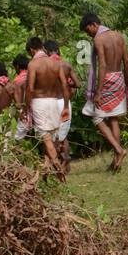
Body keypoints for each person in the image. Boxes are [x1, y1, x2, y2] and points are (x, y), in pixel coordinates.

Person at [79, 12, 128, 172]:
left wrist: (99, 91)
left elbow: (102, 65)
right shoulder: (119, 36)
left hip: (106, 79)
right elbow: (126, 61)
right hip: (119, 78)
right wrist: (127, 82)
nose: (89, 34)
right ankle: (116, 160)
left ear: (93, 25)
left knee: (97, 118)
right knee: (113, 118)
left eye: (88, 31)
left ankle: (118, 150)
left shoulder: (99, 39)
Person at [24, 36, 69, 177]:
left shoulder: (33, 65)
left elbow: (30, 88)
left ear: (31, 50)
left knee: (46, 138)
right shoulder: (55, 63)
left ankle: (58, 169)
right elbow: (64, 85)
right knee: (51, 136)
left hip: (39, 102)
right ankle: (45, 172)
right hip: (54, 101)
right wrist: (66, 105)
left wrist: (26, 107)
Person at [44, 40, 76, 168]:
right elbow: (77, 84)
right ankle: (65, 162)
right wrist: (67, 84)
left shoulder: (46, 66)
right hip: (65, 102)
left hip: (52, 102)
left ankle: (56, 165)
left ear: (46, 51)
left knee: (52, 136)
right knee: (63, 135)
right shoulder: (66, 65)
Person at [10, 54, 31, 140]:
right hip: (38, 111)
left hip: (25, 113)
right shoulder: (33, 76)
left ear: (17, 66)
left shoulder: (17, 80)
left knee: (12, 138)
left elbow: (18, 104)